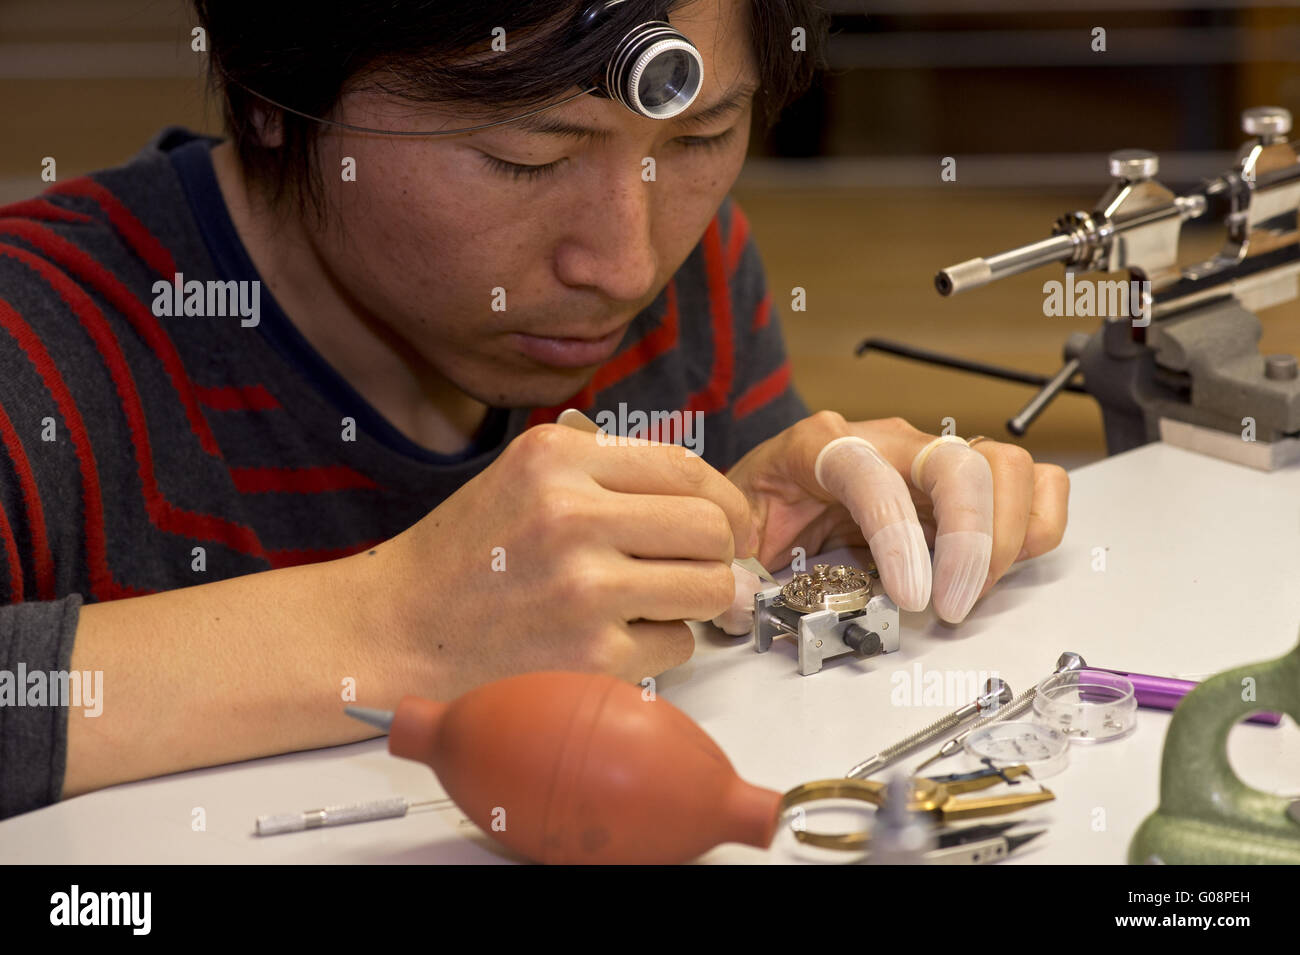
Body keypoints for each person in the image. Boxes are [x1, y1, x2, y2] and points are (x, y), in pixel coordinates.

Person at [0, 0, 1067, 820]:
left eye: (700, 140)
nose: (623, 261)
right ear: (279, 94)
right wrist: (399, 626)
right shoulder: (38, 346)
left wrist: (763, 555)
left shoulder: (686, 295)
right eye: (526, 159)